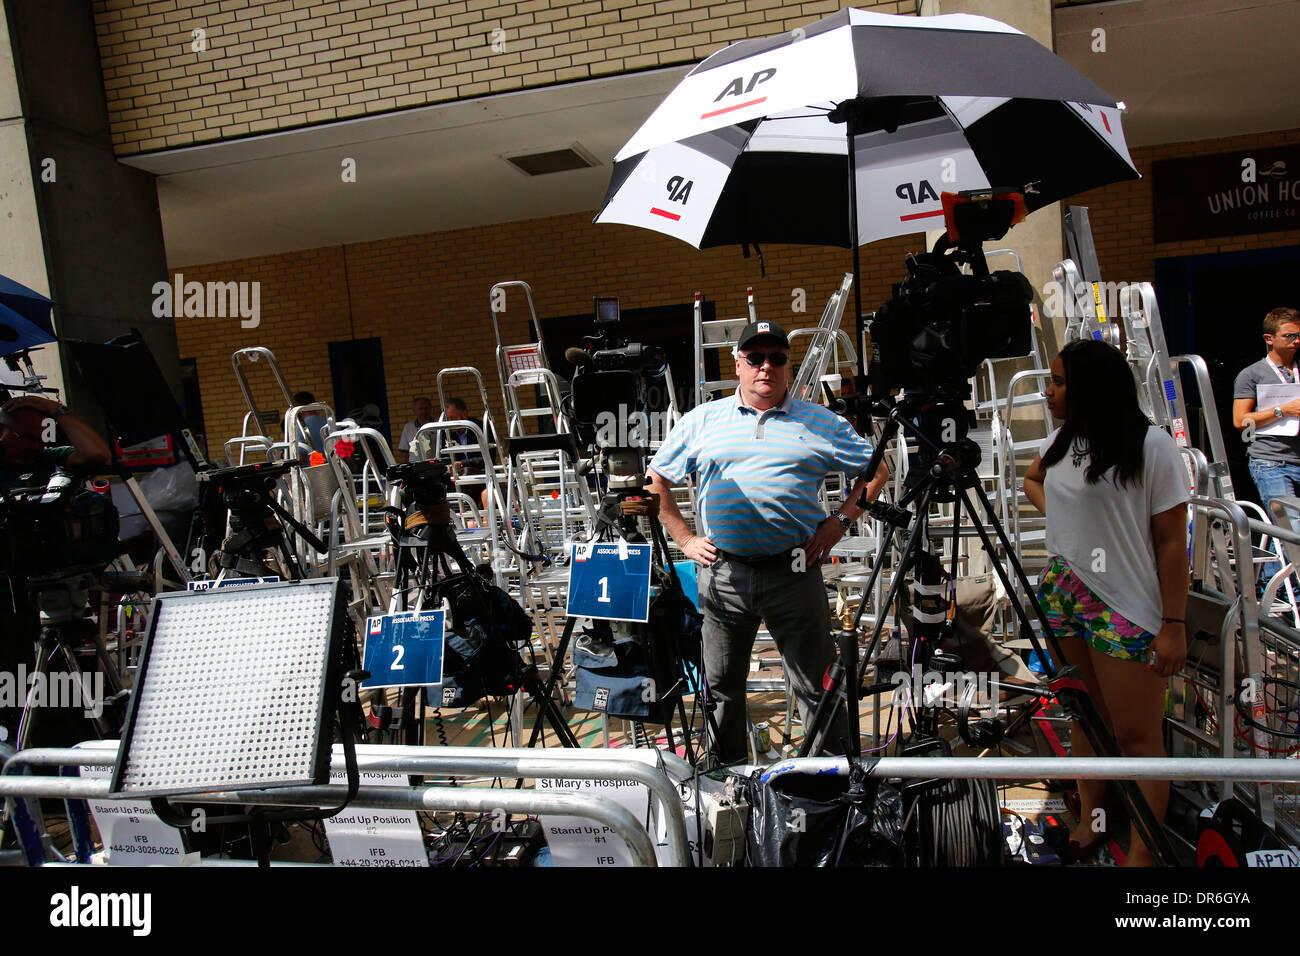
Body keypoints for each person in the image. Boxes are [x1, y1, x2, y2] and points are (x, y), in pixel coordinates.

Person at [646, 320, 889, 763]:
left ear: (788, 367)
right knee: (721, 689)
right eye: (754, 358)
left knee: (816, 685)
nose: (766, 367)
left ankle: (824, 783)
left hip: (793, 572)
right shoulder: (702, 420)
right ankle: (727, 780)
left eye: (776, 358)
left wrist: (838, 523)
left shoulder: (821, 421)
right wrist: (683, 539)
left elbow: (877, 471)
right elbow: (656, 479)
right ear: (738, 365)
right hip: (723, 573)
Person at [1023, 340, 1189, 867]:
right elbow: (1032, 480)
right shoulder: (1062, 440)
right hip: (1064, 593)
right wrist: (1063, 526)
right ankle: (1090, 825)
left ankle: (1142, 857)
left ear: (1092, 386)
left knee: (1138, 738)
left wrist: (1174, 625)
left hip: (1126, 607)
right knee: (1086, 719)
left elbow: (1170, 542)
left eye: (1058, 382)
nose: (1048, 392)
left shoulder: (1153, 445)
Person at [0, 394, 112, 741]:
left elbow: (98, 455)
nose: (34, 445)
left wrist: (58, 411)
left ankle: (85, 737)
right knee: (17, 688)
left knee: (75, 690)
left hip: (62, 594)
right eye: (25, 436)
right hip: (10, 601)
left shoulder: (52, 461)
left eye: (39, 436)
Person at [1232, 306, 1300, 588]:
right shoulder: (1253, 374)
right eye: (1290, 335)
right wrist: (1283, 410)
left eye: (1299, 335)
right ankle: (1292, 596)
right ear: (1269, 338)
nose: (1296, 341)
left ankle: (1274, 587)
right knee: (1292, 530)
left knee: (1282, 531)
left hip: (1296, 459)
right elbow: (1240, 420)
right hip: (1271, 462)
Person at [397, 395, 435, 464]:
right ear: (414, 411)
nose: (424, 411)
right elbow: (404, 453)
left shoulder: (438, 425)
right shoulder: (408, 427)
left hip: (436, 466)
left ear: (430, 409)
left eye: (426, 408)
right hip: (415, 468)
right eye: (420, 409)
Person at [291, 390, 328, 455]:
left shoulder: (301, 428)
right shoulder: (329, 423)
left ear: (298, 406)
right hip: (333, 464)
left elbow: (300, 456)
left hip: (314, 464)